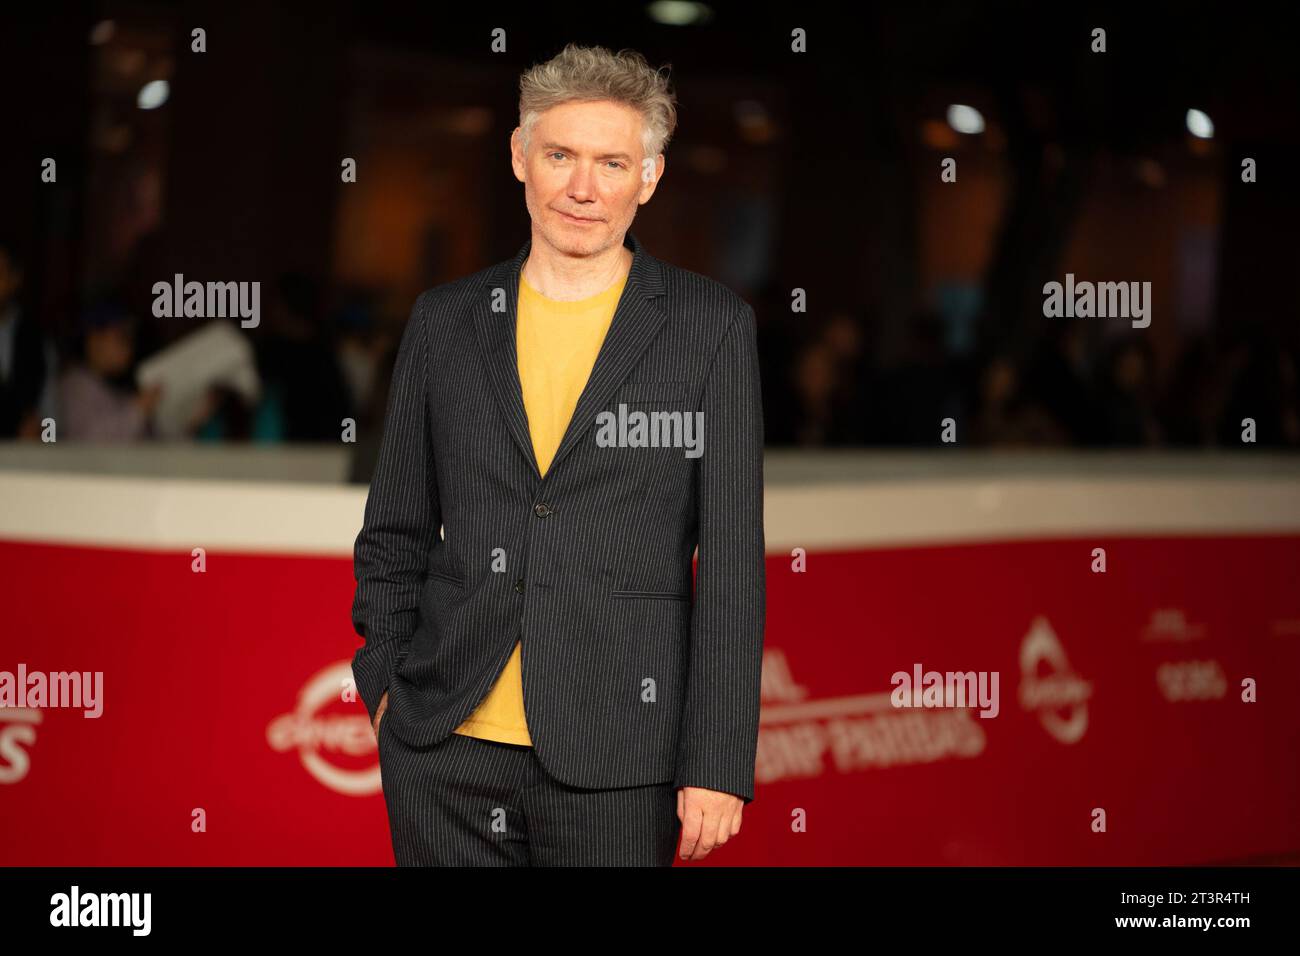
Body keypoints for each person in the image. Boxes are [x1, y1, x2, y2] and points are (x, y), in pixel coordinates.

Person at [350, 43, 766, 866]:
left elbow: (729, 564)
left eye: (612, 162)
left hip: (622, 761)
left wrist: (716, 762)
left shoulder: (710, 329)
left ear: (647, 176)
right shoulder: (444, 322)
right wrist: (386, 692)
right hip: (443, 748)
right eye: (561, 155)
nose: (583, 187)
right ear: (520, 158)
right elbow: (394, 530)